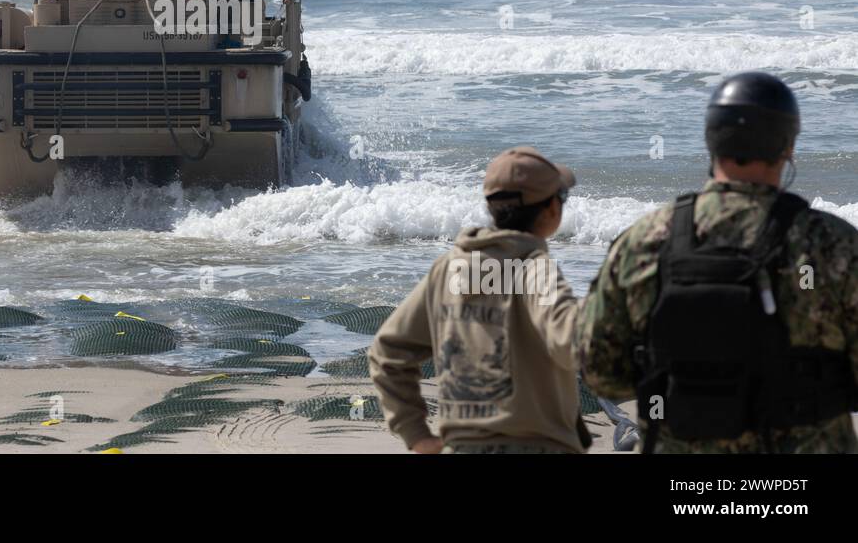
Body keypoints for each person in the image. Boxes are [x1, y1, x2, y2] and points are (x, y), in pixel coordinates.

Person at [576, 72, 858, 453]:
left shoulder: (644, 241)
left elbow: (599, 371)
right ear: (788, 146)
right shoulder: (834, 244)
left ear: (711, 142)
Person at [368, 146, 587, 453]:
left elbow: (388, 351)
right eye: (562, 198)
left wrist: (415, 433)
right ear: (551, 209)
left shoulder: (448, 269)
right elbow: (569, 340)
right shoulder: (535, 268)